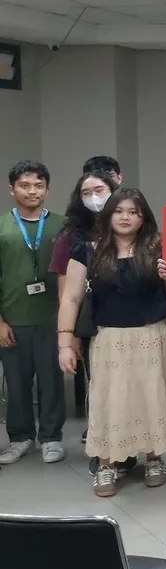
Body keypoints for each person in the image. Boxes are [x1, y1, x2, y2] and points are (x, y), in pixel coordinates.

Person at [57, 188, 166, 497]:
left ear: (143, 217)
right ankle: (106, 465)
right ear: (109, 215)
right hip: (110, 339)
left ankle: (153, 459)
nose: (126, 217)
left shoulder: (159, 246)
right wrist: (65, 342)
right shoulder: (87, 249)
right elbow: (72, 297)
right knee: (111, 402)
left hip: (156, 335)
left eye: (133, 211)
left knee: (153, 396)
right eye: (120, 211)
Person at [48, 171, 118, 464]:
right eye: (86, 192)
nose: (93, 197)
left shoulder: (129, 225)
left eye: (99, 190)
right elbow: (67, 291)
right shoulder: (71, 236)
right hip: (92, 323)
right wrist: (70, 334)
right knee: (100, 387)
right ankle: (104, 452)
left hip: (131, 320)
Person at [0, 160, 67, 465]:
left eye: (38, 185)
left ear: (47, 189)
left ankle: (52, 438)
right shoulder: (2, 227)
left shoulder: (62, 226)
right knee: (16, 383)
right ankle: (20, 438)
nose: (32, 191)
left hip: (52, 318)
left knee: (52, 381)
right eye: (25, 185)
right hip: (13, 320)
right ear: (11, 188)